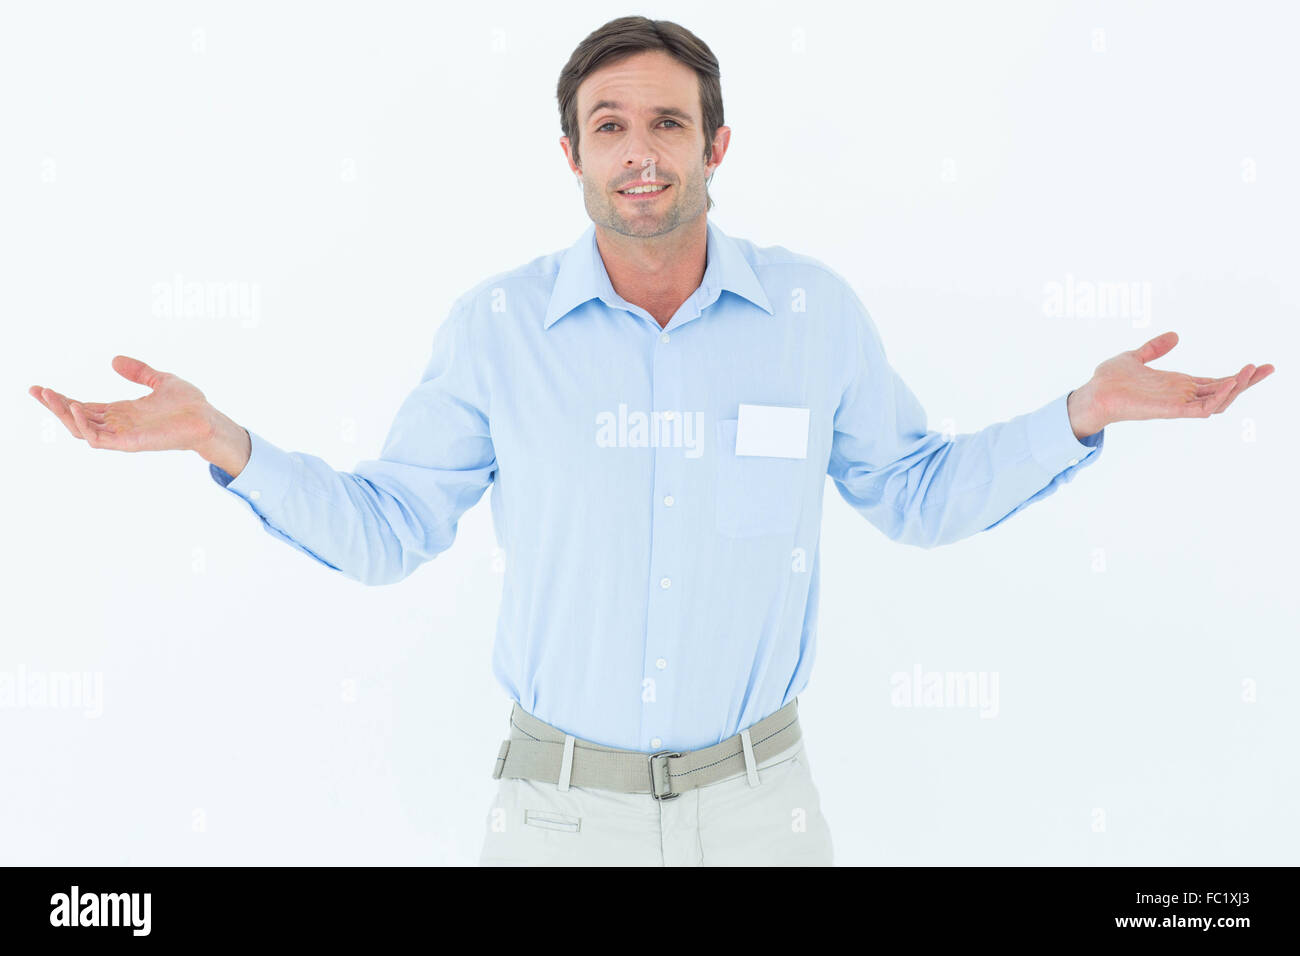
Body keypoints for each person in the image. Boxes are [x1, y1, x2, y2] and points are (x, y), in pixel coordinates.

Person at [28, 16, 1274, 867]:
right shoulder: (499, 329)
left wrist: (1081, 412)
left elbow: (914, 492)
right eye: (610, 125)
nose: (640, 152)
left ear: (714, 146)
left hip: (762, 807)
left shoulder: (809, 314)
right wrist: (226, 439)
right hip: (557, 815)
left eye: (668, 124)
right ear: (571, 152)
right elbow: (389, 529)